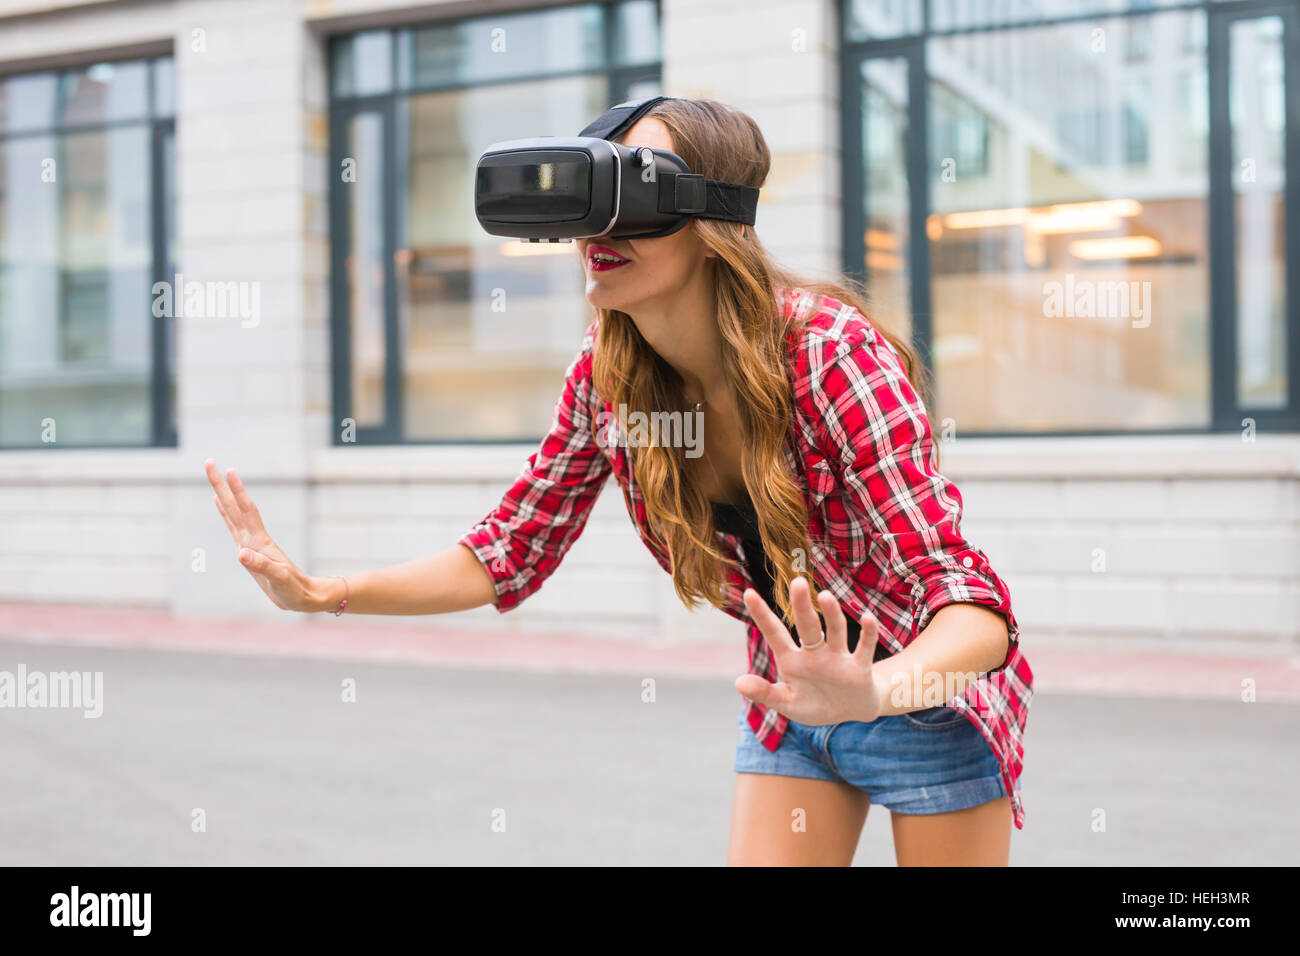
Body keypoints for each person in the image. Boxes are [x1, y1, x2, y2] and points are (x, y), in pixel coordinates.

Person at [205, 96, 1032, 866]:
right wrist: (327, 591)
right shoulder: (609, 381)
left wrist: (876, 691)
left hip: (925, 700)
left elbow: (971, 606)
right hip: (792, 702)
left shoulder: (827, 352)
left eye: (636, 194)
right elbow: (508, 551)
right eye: (590, 200)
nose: (599, 229)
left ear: (715, 220)